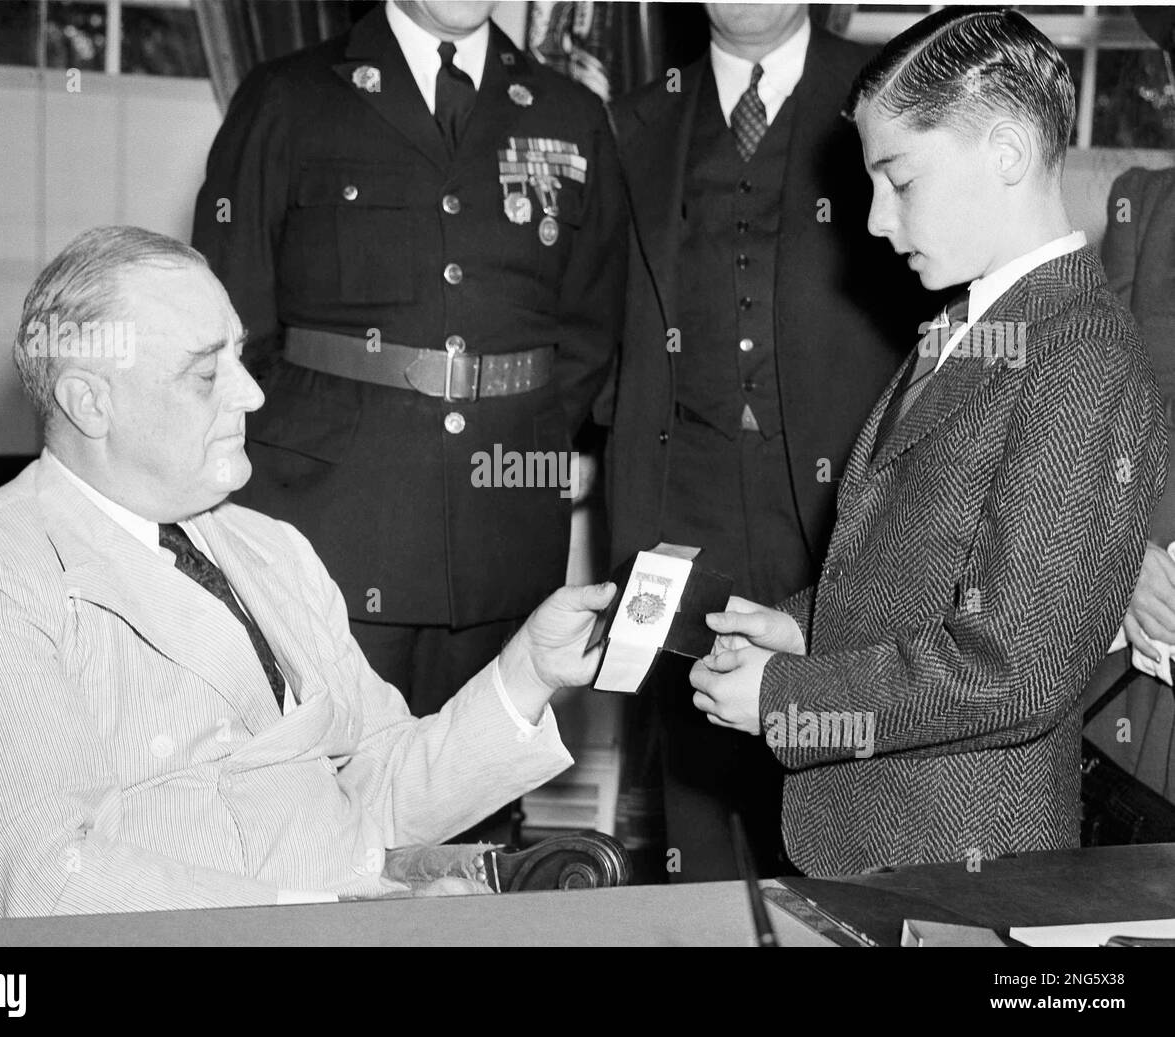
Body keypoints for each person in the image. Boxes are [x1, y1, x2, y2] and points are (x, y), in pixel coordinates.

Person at [0, 226, 616, 918]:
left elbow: (379, 793)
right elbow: (38, 879)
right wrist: (344, 920)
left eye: (239, 353)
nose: (252, 393)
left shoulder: (269, 546)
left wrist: (527, 673)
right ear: (89, 402)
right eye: (207, 373)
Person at [688, 7, 1167, 877]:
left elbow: (1015, 668)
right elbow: (926, 564)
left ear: (1009, 153)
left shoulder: (1079, 358)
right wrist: (802, 628)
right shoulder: (975, 324)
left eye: (899, 181)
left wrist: (787, 702)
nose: (874, 219)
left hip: (958, 865)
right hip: (881, 846)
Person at [191, 0, 626, 718]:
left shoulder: (570, 112)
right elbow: (230, 321)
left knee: (478, 797)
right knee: (327, 791)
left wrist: (520, 432)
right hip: (329, 524)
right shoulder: (288, 97)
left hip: (503, 531)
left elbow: (591, 323)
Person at [606, 3, 933, 880]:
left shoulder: (897, 92)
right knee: (698, 822)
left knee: (843, 813)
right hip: (682, 511)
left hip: (846, 518)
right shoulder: (632, 118)